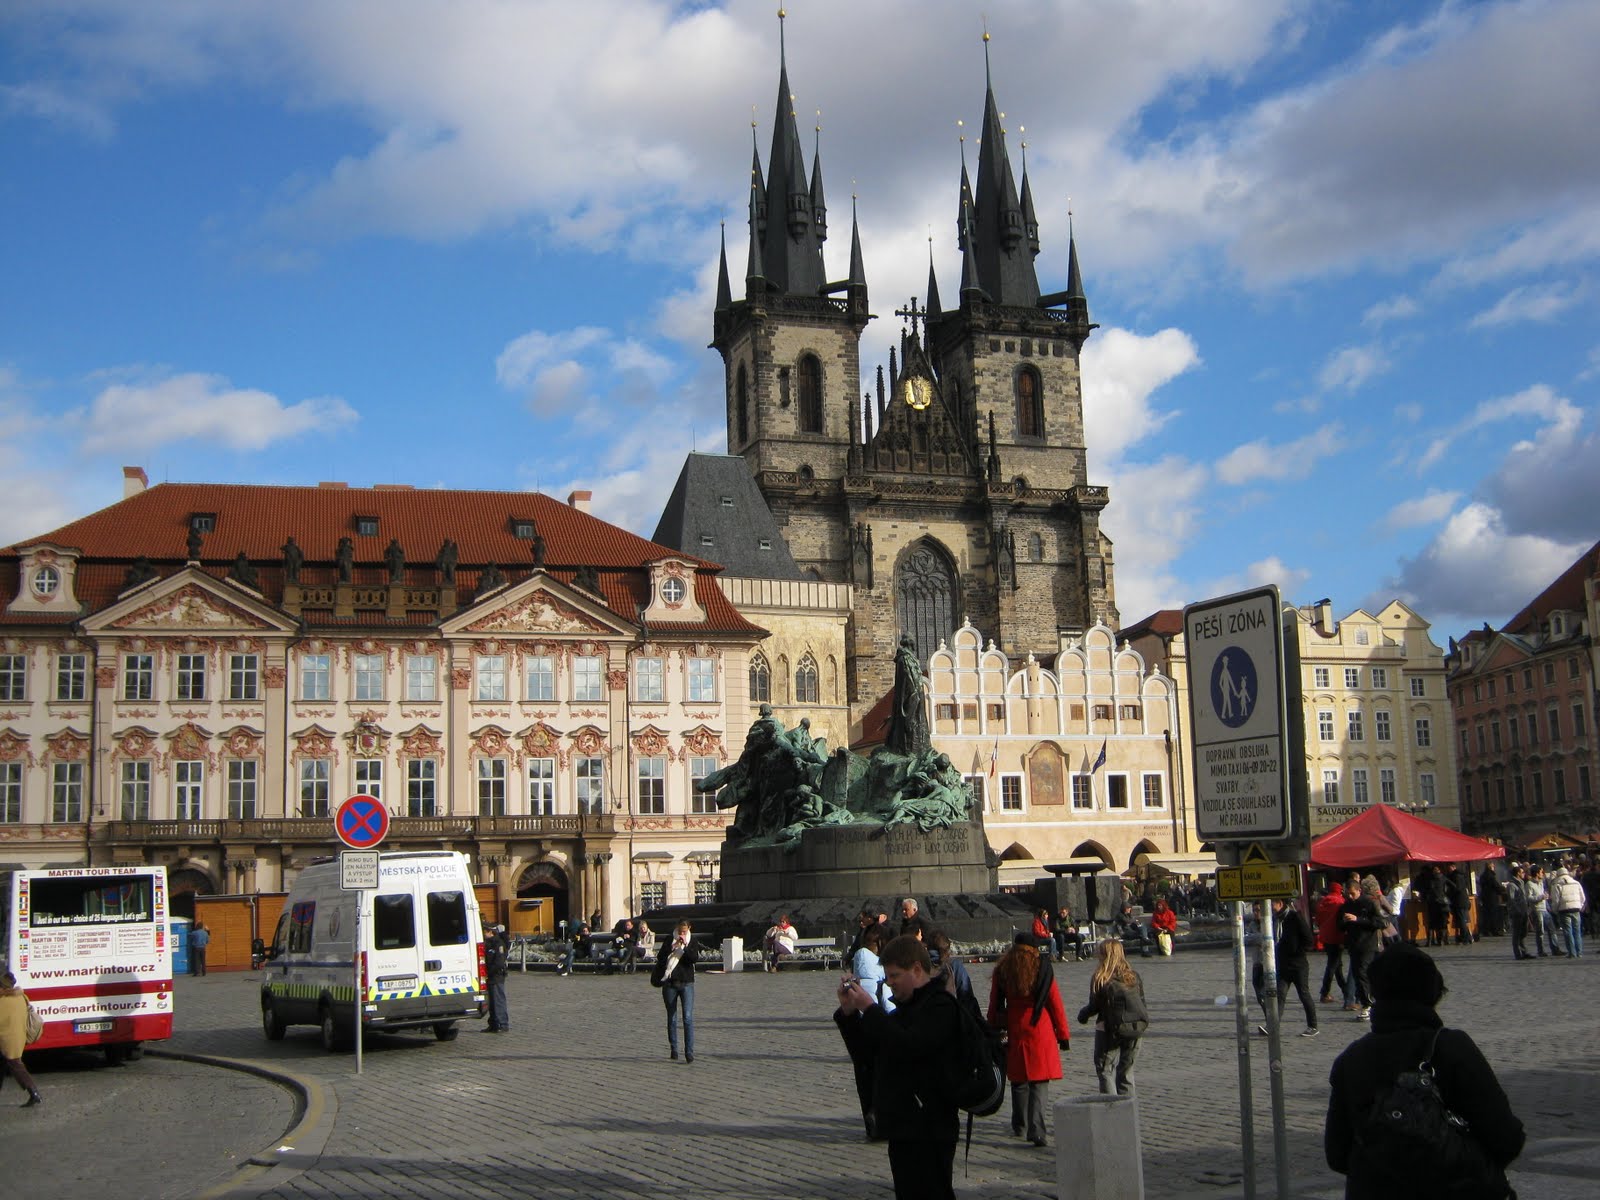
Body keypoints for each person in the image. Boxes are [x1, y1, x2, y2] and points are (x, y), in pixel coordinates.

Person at [1324, 945, 1524, 1199]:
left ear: (1375, 992)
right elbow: (1505, 1136)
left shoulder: (1350, 1059)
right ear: (1433, 991)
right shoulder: (1451, 1048)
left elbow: (1337, 1154)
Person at [835, 934, 961, 1199]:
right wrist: (849, 1016)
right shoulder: (903, 1009)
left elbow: (908, 1046)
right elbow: (869, 1057)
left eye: (894, 976)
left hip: (930, 1128)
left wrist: (870, 1009)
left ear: (916, 970)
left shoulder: (940, 1006)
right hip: (902, 1127)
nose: (889, 984)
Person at [987, 934, 1069, 1147]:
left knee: (1018, 1078)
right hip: (1039, 1025)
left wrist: (993, 1026)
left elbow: (994, 1003)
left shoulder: (1003, 969)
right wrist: (1063, 1033)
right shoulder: (1041, 968)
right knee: (1039, 1081)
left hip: (1015, 1024)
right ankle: (1037, 1130)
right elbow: (1055, 1002)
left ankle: (1020, 1124)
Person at [1077, 938, 1145, 1096]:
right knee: (1126, 1070)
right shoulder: (1133, 976)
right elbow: (1142, 1002)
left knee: (1105, 1068)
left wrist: (1083, 1015)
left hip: (1109, 1028)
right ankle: (1128, 1109)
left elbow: (1094, 1006)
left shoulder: (1101, 977)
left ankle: (1112, 1109)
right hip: (1135, 1028)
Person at [843, 925, 892, 1139]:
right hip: (879, 1024)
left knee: (865, 1078)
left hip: (860, 1027)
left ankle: (871, 1120)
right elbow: (888, 1002)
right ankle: (880, 1116)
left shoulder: (859, 966)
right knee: (884, 1077)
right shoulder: (880, 969)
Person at [1260, 898, 1318, 1038]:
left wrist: (1297, 951)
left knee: (1304, 994)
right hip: (1282, 964)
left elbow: (1308, 939)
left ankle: (1313, 1026)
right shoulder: (1273, 920)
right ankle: (1272, 1025)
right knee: (1279, 995)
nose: (1270, 908)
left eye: (1272, 905)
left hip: (1298, 964)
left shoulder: (1294, 917)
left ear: (1280, 904)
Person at [651, 921, 699, 1063]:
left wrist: (685, 948)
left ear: (689, 928)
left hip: (687, 983)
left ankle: (689, 1052)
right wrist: (672, 948)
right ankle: (674, 1049)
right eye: (679, 931)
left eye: (684, 931)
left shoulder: (692, 941)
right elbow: (660, 958)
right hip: (670, 982)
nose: (681, 934)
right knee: (672, 1017)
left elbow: (693, 959)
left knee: (688, 1018)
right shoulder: (669, 939)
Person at [1339, 878, 1384, 1020]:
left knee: (1363, 972)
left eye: (1352, 893)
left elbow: (1379, 922)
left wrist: (1358, 919)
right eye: (1347, 894)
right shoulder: (1345, 905)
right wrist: (1344, 922)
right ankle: (1367, 1001)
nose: (1350, 896)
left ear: (1359, 890)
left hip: (1368, 944)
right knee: (1358, 975)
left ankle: (1367, 1004)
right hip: (1353, 944)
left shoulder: (1368, 903)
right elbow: (1339, 926)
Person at [0, 971, 43, 1108]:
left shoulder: (4, 1001)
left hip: (7, 1039)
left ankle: (34, 1093)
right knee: (4, 1064)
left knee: (16, 1065)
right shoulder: (21, 996)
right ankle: (33, 1093)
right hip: (16, 1036)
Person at [1315, 883, 1348, 1003]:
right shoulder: (1340, 902)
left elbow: (1317, 920)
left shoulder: (1322, 902)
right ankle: (1325, 992)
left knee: (1336, 964)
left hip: (1325, 936)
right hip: (1337, 936)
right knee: (1333, 965)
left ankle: (1345, 990)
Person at [1549, 859, 1586, 958]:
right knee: (1577, 931)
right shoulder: (1575, 882)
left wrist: (1555, 910)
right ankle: (1579, 952)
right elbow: (1583, 897)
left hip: (1564, 910)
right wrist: (1580, 906)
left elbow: (1555, 899)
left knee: (1567, 931)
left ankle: (1572, 952)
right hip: (1576, 909)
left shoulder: (1556, 884)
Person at [929, 930, 972, 1004]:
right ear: (947, 948)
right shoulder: (955, 965)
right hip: (951, 1012)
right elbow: (966, 994)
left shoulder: (919, 966)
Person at [483, 924, 510, 1032]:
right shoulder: (488, 944)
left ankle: (502, 1024)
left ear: (491, 932)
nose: (484, 934)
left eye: (485, 932)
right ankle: (493, 1024)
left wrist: (488, 973)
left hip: (496, 976)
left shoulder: (498, 944)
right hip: (490, 976)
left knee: (498, 1000)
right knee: (491, 1002)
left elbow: (498, 963)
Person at [1506, 863, 1532, 960]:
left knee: (1523, 933)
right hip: (1517, 913)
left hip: (1524, 911)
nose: (1524, 873)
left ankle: (1525, 952)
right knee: (1516, 934)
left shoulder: (1521, 883)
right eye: (1522, 872)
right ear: (1517, 873)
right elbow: (1512, 900)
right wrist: (1517, 910)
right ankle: (1518, 954)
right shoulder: (1511, 885)